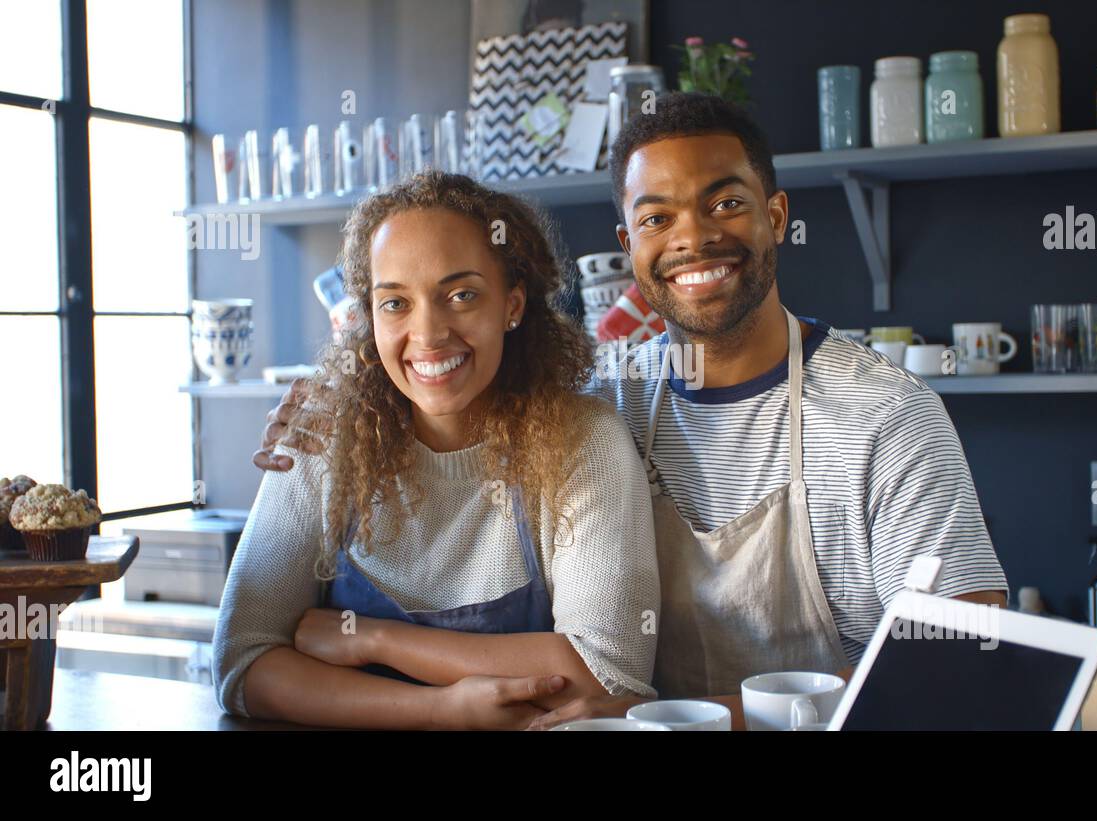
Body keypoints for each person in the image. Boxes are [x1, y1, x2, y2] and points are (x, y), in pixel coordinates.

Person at [256, 93, 1008, 730]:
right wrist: (344, 396)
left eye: (726, 202)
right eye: (657, 218)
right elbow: (474, 387)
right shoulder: (610, 397)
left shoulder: (887, 418)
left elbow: (954, 664)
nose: (693, 236)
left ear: (776, 215)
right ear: (628, 244)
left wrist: (693, 721)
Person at [215, 171, 659, 730]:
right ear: (369, 319)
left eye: (462, 295)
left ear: (513, 305)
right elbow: (243, 663)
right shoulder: (322, 436)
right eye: (395, 303)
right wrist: (441, 710)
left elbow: (607, 678)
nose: (428, 334)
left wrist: (373, 640)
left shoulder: (584, 441)